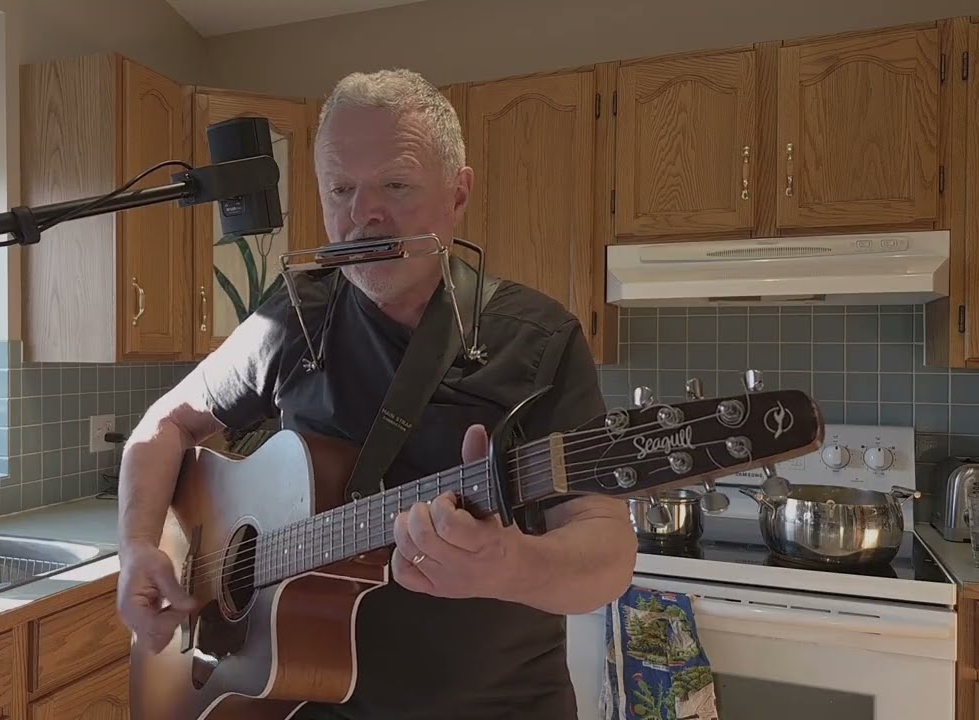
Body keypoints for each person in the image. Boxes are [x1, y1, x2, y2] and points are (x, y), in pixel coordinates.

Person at [115, 68, 638, 719]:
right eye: (341, 189)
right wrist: (138, 547)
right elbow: (161, 426)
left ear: (458, 194)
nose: (364, 215)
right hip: (299, 704)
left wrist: (511, 565)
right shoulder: (294, 317)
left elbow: (606, 547)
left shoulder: (538, 338)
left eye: (396, 185)